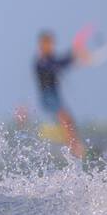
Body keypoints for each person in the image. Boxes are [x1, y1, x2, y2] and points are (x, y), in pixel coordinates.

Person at [33, 30, 88, 158]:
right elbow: (57, 65)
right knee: (65, 119)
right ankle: (73, 149)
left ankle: (74, 147)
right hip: (47, 96)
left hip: (55, 95)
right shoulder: (41, 61)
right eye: (48, 44)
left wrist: (75, 57)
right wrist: (74, 54)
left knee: (69, 120)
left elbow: (61, 63)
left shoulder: (50, 59)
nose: (51, 47)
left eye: (52, 44)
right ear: (41, 45)